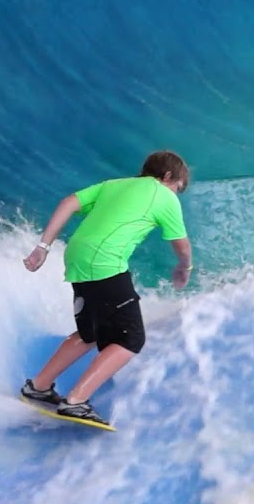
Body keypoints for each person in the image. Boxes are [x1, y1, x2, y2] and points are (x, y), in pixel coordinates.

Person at [21, 150, 194, 425]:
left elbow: (69, 202)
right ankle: (75, 401)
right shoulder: (163, 195)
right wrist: (184, 267)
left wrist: (43, 247)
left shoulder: (114, 184)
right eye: (177, 188)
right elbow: (182, 245)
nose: (176, 194)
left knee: (90, 333)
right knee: (130, 340)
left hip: (77, 258)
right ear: (168, 176)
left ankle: (38, 387)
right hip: (104, 263)